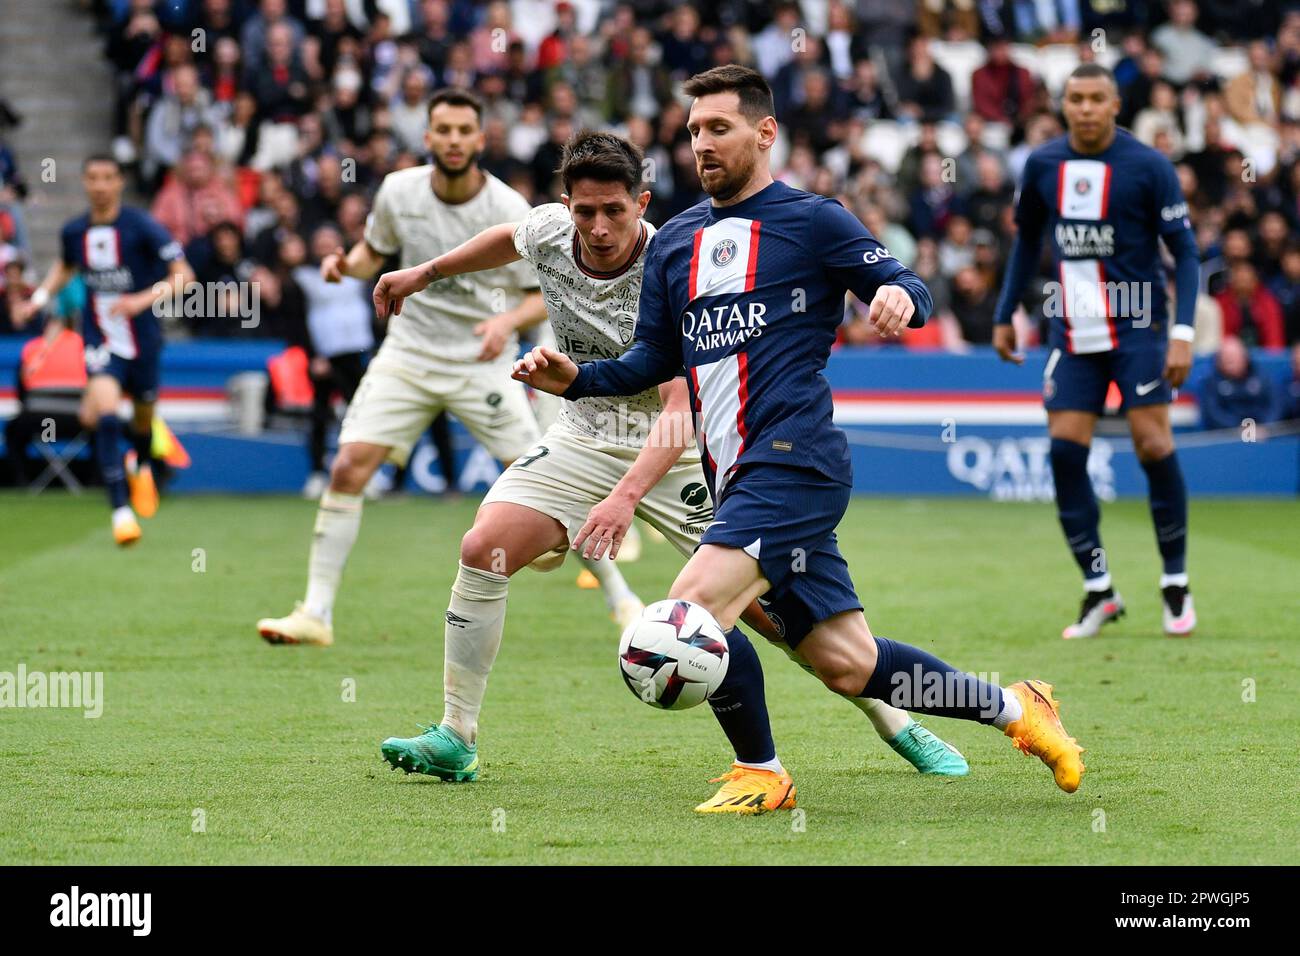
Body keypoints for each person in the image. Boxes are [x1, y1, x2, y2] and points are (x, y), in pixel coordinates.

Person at [512, 67, 1086, 805]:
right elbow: (653, 361)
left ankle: (763, 772)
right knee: (849, 663)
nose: (703, 144)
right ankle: (1021, 709)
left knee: (688, 614)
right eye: (693, 132)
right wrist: (577, 381)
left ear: (764, 132)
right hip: (738, 480)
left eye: (719, 128)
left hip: (794, 462)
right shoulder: (678, 241)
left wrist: (891, 296)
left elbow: (907, 283)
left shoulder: (814, 221)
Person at [370, 130, 969, 812]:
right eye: (584, 211)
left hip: (681, 451)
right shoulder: (550, 230)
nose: (597, 228)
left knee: (776, 620)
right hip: (583, 436)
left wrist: (623, 500)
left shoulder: (681, 260)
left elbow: (678, 409)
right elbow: (509, 236)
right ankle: (457, 734)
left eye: (613, 212)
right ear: (567, 204)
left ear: (642, 203)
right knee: (483, 548)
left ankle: (896, 722)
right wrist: (423, 274)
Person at [256, 89, 642, 647]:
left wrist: (505, 323)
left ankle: (622, 598)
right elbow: (374, 251)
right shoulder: (397, 190)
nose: (454, 140)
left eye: (465, 130)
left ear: (481, 139)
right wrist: (345, 265)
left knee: (550, 483)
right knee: (348, 468)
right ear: (429, 136)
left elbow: (547, 295)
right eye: (444, 129)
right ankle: (316, 612)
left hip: (482, 364)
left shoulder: (511, 208)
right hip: (409, 352)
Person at [993, 64, 1202, 639]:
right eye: (1075, 99)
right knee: (1063, 454)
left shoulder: (1149, 167)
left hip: (1138, 329)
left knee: (1153, 444)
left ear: (1115, 105)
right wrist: (1004, 312)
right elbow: (1027, 241)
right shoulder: (1043, 164)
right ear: (1064, 105)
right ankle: (1098, 588)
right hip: (1070, 329)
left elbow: (1184, 253)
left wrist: (1182, 333)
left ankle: (1175, 582)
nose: (1085, 108)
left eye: (1096, 99)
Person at [13, 155, 193, 545]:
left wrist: (140, 300)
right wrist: (40, 298)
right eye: (92, 178)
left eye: (107, 178)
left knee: (143, 418)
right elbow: (66, 267)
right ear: (84, 182)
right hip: (100, 340)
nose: (99, 185)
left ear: (120, 183)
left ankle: (142, 465)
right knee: (107, 415)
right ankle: (121, 513)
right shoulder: (74, 231)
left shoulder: (142, 227)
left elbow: (184, 276)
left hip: (143, 339)